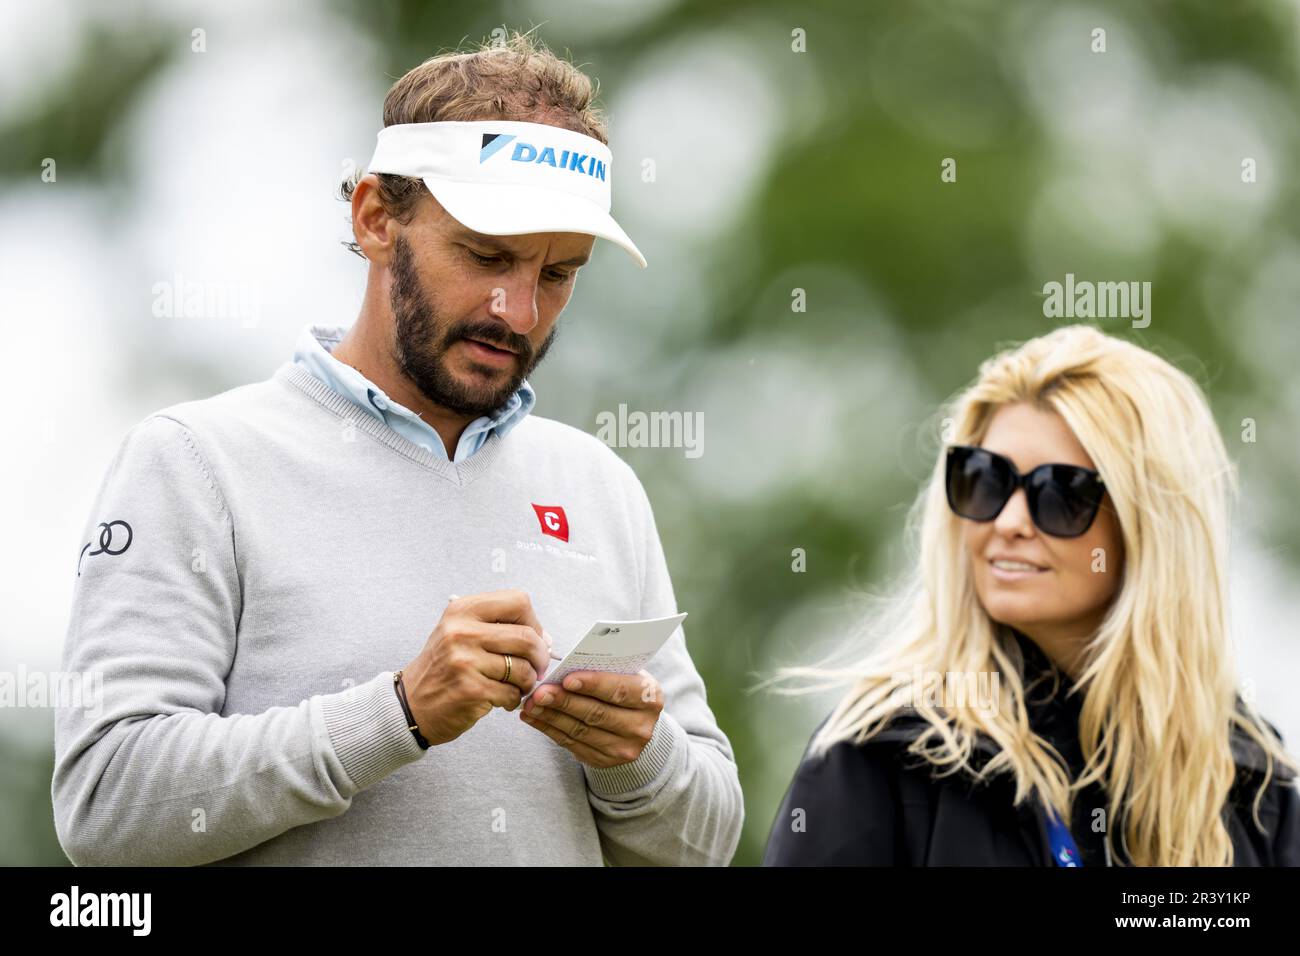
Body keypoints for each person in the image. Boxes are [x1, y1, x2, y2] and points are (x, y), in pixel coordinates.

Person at [52, 33, 742, 866]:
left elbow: (705, 842)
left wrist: (640, 758)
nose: (518, 310)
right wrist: (400, 714)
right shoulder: (196, 462)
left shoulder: (598, 485)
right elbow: (105, 808)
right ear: (377, 217)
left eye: (560, 273)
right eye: (486, 256)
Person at [763, 324, 1299, 866]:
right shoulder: (883, 757)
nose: (1009, 521)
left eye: (1059, 492)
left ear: (1151, 528)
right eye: (985, 479)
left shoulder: (1250, 784)